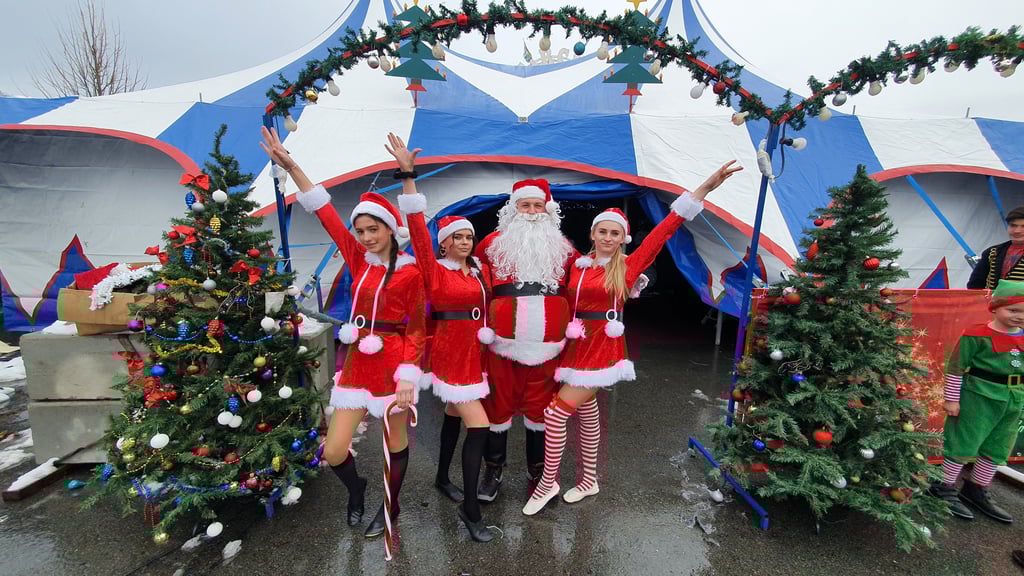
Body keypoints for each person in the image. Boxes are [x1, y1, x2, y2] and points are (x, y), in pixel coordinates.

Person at [522, 162, 742, 515]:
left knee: (555, 413)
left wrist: (704, 189)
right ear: (592, 234)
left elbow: (667, 229)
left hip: (602, 350)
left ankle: (548, 483)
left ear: (623, 238)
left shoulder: (628, 266)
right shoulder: (576, 265)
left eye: (615, 233)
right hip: (575, 346)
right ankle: (589, 479)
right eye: (602, 232)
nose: (608, 238)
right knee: (588, 413)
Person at [259, 126, 426, 539]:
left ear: (390, 229)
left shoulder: (411, 271)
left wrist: (408, 376)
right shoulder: (358, 260)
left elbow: (418, 329)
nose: (366, 238)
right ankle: (357, 490)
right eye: (361, 231)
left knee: (395, 444)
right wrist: (293, 166)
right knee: (334, 451)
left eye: (374, 230)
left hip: (393, 362)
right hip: (357, 364)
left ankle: (392, 506)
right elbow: (326, 212)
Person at [386, 133, 495, 542]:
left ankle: (441, 478)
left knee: (454, 418)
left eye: (469, 237)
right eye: (458, 238)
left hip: (475, 353)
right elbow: (417, 226)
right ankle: (469, 509)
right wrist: (408, 176)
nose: (465, 243)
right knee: (479, 426)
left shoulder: (478, 272)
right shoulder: (434, 269)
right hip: (450, 354)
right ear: (445, 242)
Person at [474, 178, 581, 502]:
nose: (532, 213)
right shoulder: (491, 244)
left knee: (541, 412)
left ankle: (539, 472)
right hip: (502, 345)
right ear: (513, 209)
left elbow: (582, 288)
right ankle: (494, 469)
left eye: (538, 206)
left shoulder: (564, 248)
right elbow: (474, 287)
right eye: (525, 205)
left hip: (548, 348)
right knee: (497, 408)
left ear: (548, 211)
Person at [930, 278, 1024, 523]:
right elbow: (956, 367)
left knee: (997, 445)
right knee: (963, 442)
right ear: (995, 307)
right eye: (1013, 310)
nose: (1019, 316)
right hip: (979, 397)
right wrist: (952, 399)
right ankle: (944, 485)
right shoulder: (977, 334)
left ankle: (977, 487)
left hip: (1013, 400)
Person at [967, 206, 1024, 289]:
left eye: (1023, 226)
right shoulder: (993, 252)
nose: (1017, 231)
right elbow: (975, 284)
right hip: (992, 301)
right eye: (1013, 225)